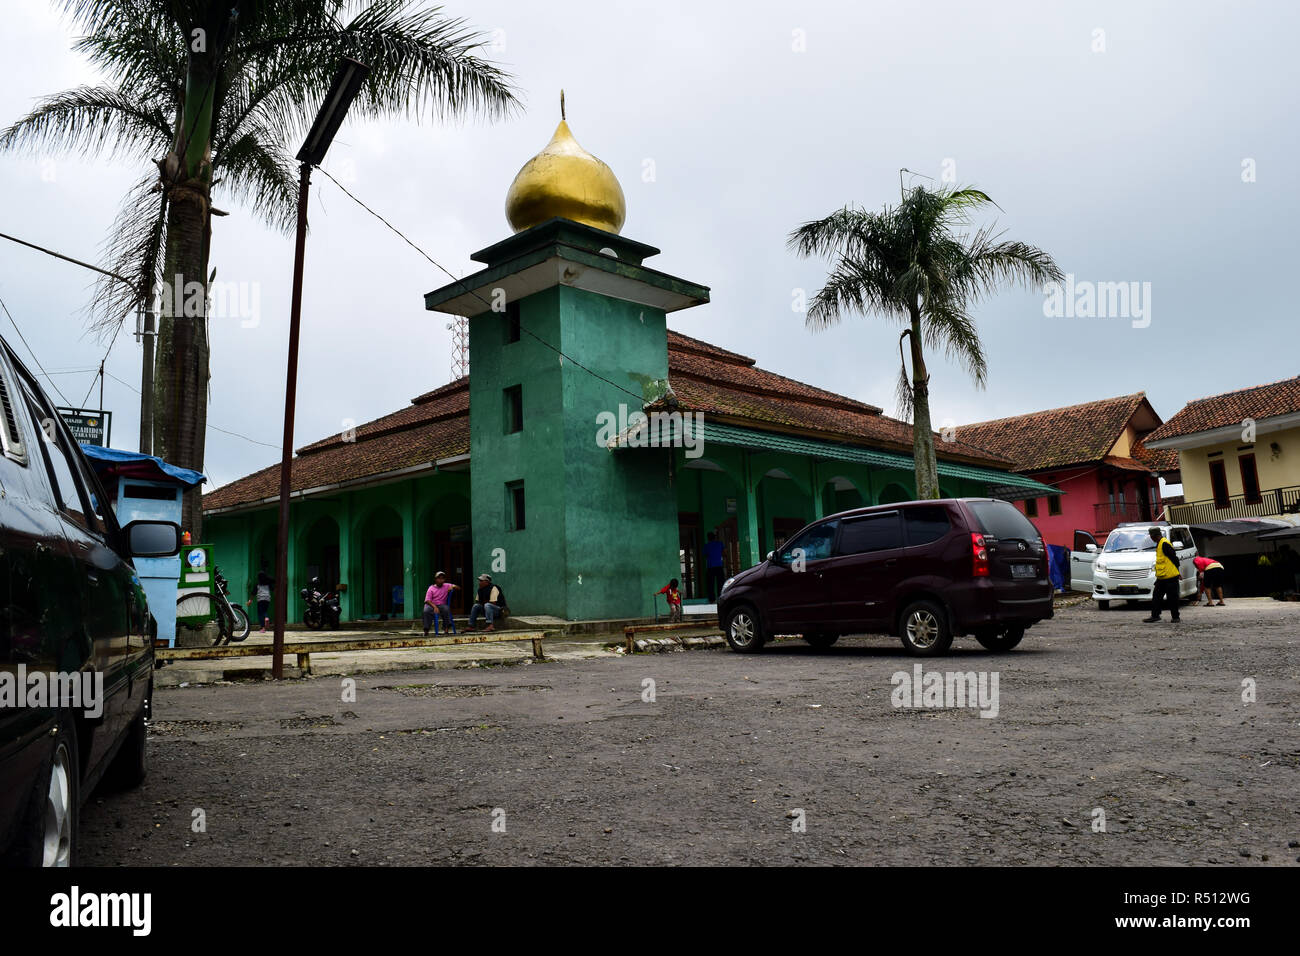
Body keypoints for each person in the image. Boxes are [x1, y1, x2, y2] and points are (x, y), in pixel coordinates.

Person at [1144, 526, 1182, 623]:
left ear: (1154, 536)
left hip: (1171, 577)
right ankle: (1155, 616)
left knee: (1172, 598)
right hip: (1162, 577)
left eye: (1151, 537)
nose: (1151, 539)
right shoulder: (1159, 544)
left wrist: (1178, 572)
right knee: (1156, 597)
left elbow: (1174, 558)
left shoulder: (1164, 543)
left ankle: (1175, 617)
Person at [422, 571, 459, 635]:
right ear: (436, 579)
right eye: (439, 578)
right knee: (426, 611)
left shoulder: (446, 585)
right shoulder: (431, 588)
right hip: (431, 604)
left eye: (442, 578)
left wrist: (453, 587)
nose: (441, 580)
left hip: (441, 605)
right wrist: (435, 607)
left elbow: (458, 588)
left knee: (446, 609)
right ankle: (426, 630)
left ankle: (446, 629)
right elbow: (427, 600)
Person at [704, 532, 726, 602]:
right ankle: (721, 598)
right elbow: (724, 553)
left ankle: (711, 599)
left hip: (710, 567)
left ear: (708, 538)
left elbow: (705, 555)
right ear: (715, 537)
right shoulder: (720, 544)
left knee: (710, 584)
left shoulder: (707, 546)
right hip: (719, 566)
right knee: (721, 583)